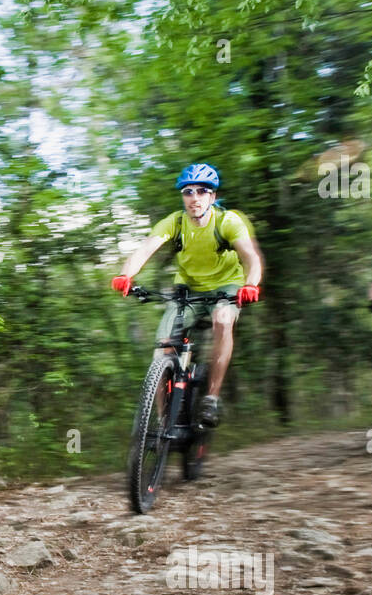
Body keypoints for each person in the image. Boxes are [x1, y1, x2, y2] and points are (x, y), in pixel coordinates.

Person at [111, 163, 263, 427]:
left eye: (202, 191)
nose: (195, 197)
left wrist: (250, 284)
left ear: (212, 196)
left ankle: (212, 398)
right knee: (164, 347)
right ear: (183, 196)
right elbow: (145, 249)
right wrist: (126, 275)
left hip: (226, 287)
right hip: (188, 289)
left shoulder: (227, 222)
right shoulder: (175, 222)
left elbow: (251, 258)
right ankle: (160, 422)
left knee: (223, 319)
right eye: (188, 191)